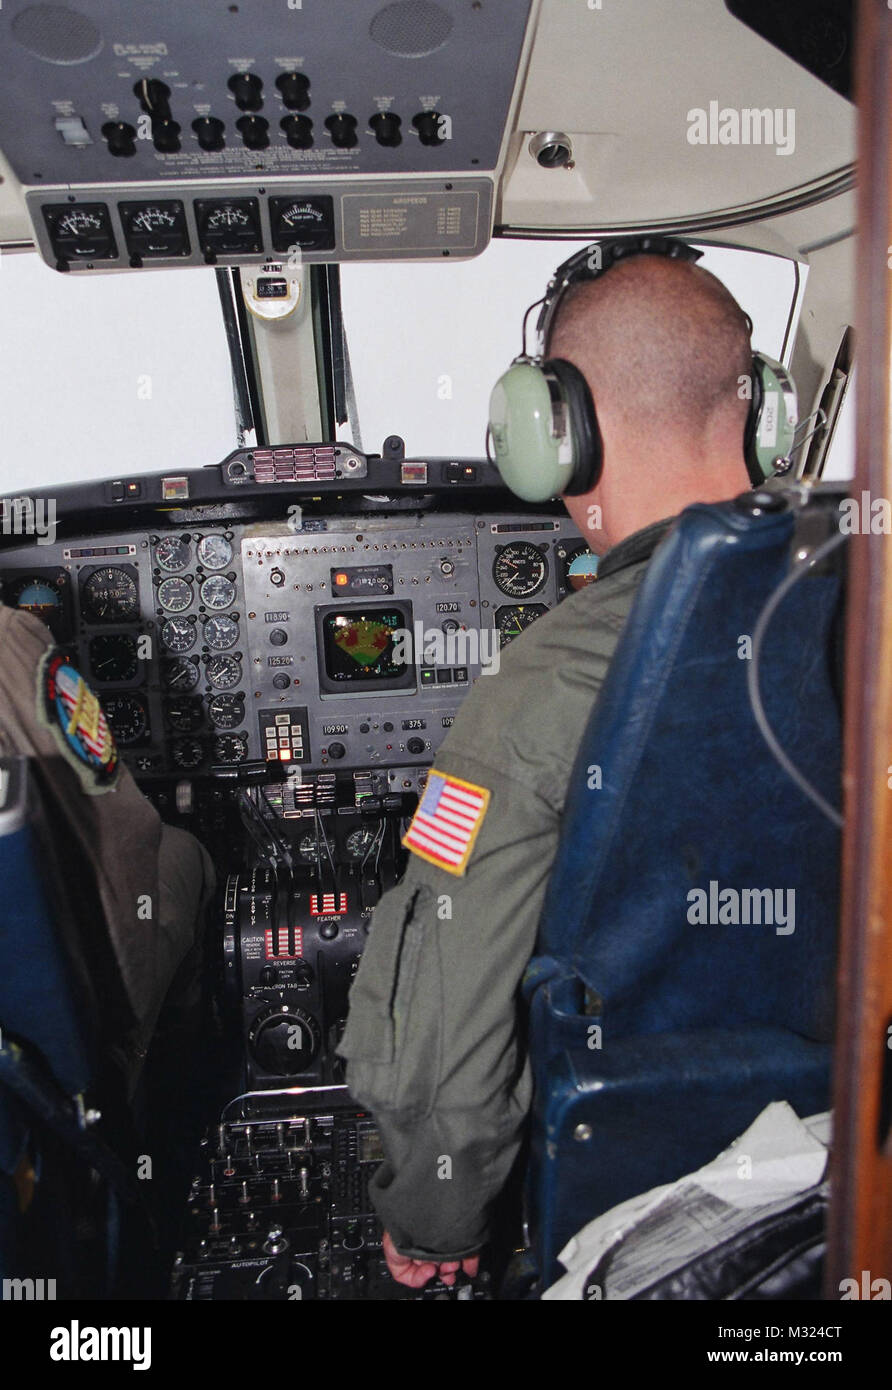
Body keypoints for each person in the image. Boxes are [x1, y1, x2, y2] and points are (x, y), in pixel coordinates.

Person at [338, 249, 755, 1288]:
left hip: (634, 1181)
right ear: (761, 411)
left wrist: (434, 1222)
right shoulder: (860, 599)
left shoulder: (540, 687)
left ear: (552, 430)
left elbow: (444, 1023)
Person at [0, 601, 214, 1094]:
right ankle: (175, 1073)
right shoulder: (7, 638)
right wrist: (115, 1029)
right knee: (184, 851)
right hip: (49, 1052)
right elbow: (127, 831)